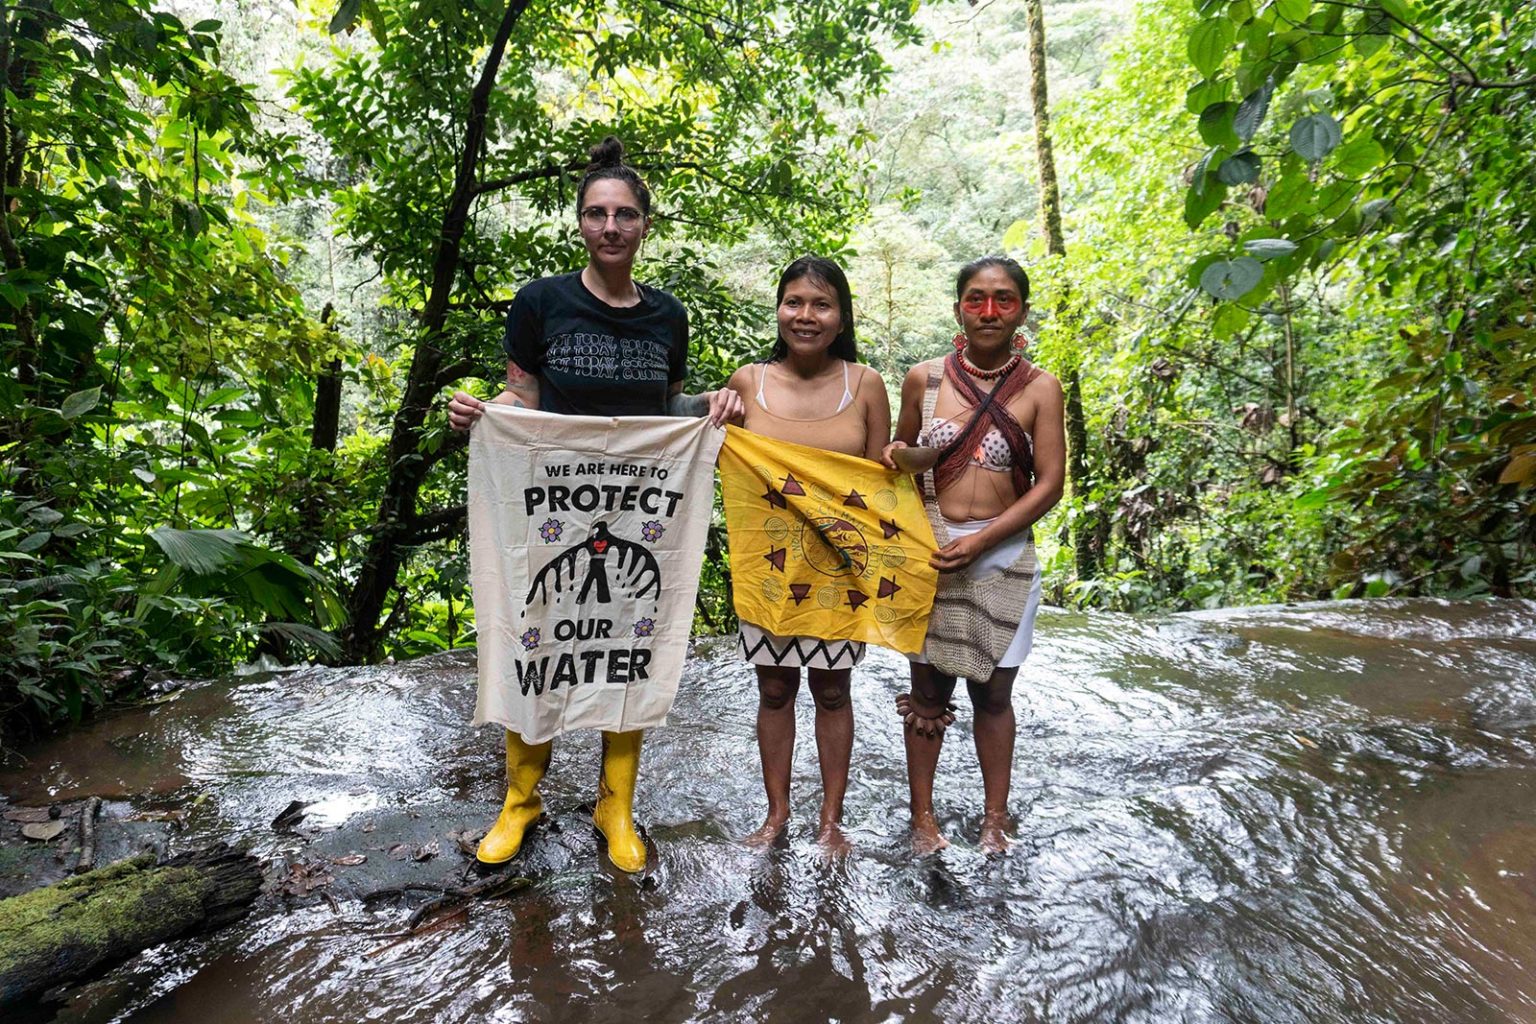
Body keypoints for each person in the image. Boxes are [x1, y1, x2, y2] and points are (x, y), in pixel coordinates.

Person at [447, 136, 744, 873]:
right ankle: (521, 802)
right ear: (580, 222)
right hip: (550, 504)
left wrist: (713, 404)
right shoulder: (541, 301)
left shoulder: (667, 316)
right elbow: (523, 397)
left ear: (645, 224)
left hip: (641, 507)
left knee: (629, 641)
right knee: (540, 638)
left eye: (625, 215)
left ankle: (617, 804)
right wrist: (481, 414)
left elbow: (664, 409)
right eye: (596, 214)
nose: (610, 227)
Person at [880, 256, 1065, 854]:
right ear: (958, 308)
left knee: (994, 694)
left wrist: (982, 540)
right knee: (927, 695)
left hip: (1002, 554)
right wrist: (897, 455)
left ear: (1022, 312)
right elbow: (899, 453)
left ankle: (994, 819)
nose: (989, 311)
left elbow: (1050, 484)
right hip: (929, 550)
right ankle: (923, 819)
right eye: (976, 299)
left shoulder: (1041, 388)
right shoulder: (923, 380)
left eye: (1004, 299)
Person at [724, 256, 892, 853]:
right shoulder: (748, 383)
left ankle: (830, 821)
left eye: (821, 304)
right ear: (778, 310)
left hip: (839, 570)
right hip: (768, 569)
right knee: (774, 690)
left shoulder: (865, 385)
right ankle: (776, 816)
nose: (805, 315)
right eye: (794, 302)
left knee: (832, 691)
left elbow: (881, 489)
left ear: (841, 317)